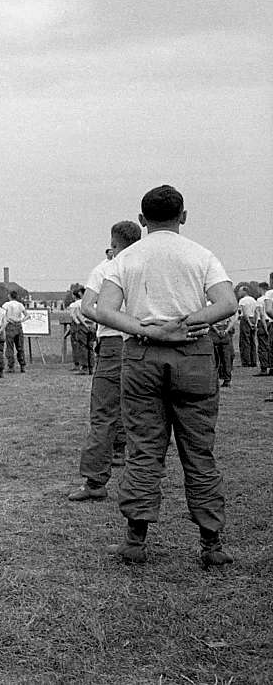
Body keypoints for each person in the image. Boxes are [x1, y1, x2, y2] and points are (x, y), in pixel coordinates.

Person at [95, 185, 235, 566]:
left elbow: (104, 310)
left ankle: (135, 540)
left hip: (142, 354)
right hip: (193, 353)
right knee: (199, 450)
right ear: (183, 217)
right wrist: (185, 323)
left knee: (144, 448)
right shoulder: (201, 255)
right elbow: (226, 303)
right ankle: (211, 544)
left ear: (142, 221)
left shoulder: (127, 258)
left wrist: (149, 329)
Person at [68, 220, 142, 502]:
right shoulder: (146, 264)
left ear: (113, 242)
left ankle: (95, 481)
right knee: (145, 413)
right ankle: (144, 478)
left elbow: (88, 308)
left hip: (113, 343)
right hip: (144, 341)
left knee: (103, 415)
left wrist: (114, 320)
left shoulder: (105, 269)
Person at [208, 310, 236, 387]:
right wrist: (226, 331)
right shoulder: (226, 308)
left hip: (214, 331)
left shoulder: (211, 307)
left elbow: (209, 321)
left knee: (214, 358)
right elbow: (231, 321)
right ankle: (227, 380)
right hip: (225, 329)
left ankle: (214, 378)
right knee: (226, 357)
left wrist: (217, 331)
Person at [2, 291, 27, 373]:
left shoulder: (6, 305)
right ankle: (22, 365)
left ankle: (11, 366)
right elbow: (27, 315)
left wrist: (8, 319)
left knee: (10, 347)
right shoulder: (20, 305)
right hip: (19, 325)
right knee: (20, 347)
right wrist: (22, 320)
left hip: (10, 325)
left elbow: (3, 315)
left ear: (9, 296)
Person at [236, 285, 259, 367]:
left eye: (240, 291)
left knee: (245, 341)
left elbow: (245, 313)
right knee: (252, 341)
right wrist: (255, 323)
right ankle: (253, 361)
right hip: (253, 318)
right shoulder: (253, 300)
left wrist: (249, 323)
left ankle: (246, 361)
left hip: (246, 320)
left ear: (244, 291)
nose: (239, 293)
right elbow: (256, 312)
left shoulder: (242, 301)